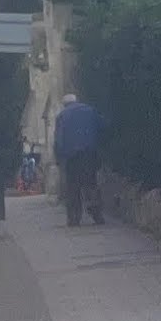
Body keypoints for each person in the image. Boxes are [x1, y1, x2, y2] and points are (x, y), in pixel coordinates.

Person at [54, 93, 107, 226]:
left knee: (73, 188)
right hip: (90, 153)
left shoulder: (62, 116)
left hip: (72, 157)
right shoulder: (90, 110)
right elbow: (102, 126)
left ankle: (74, 218)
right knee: (91, 183)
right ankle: (97, 215)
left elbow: (59, 139)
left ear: (65, 104)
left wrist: (59, 158)